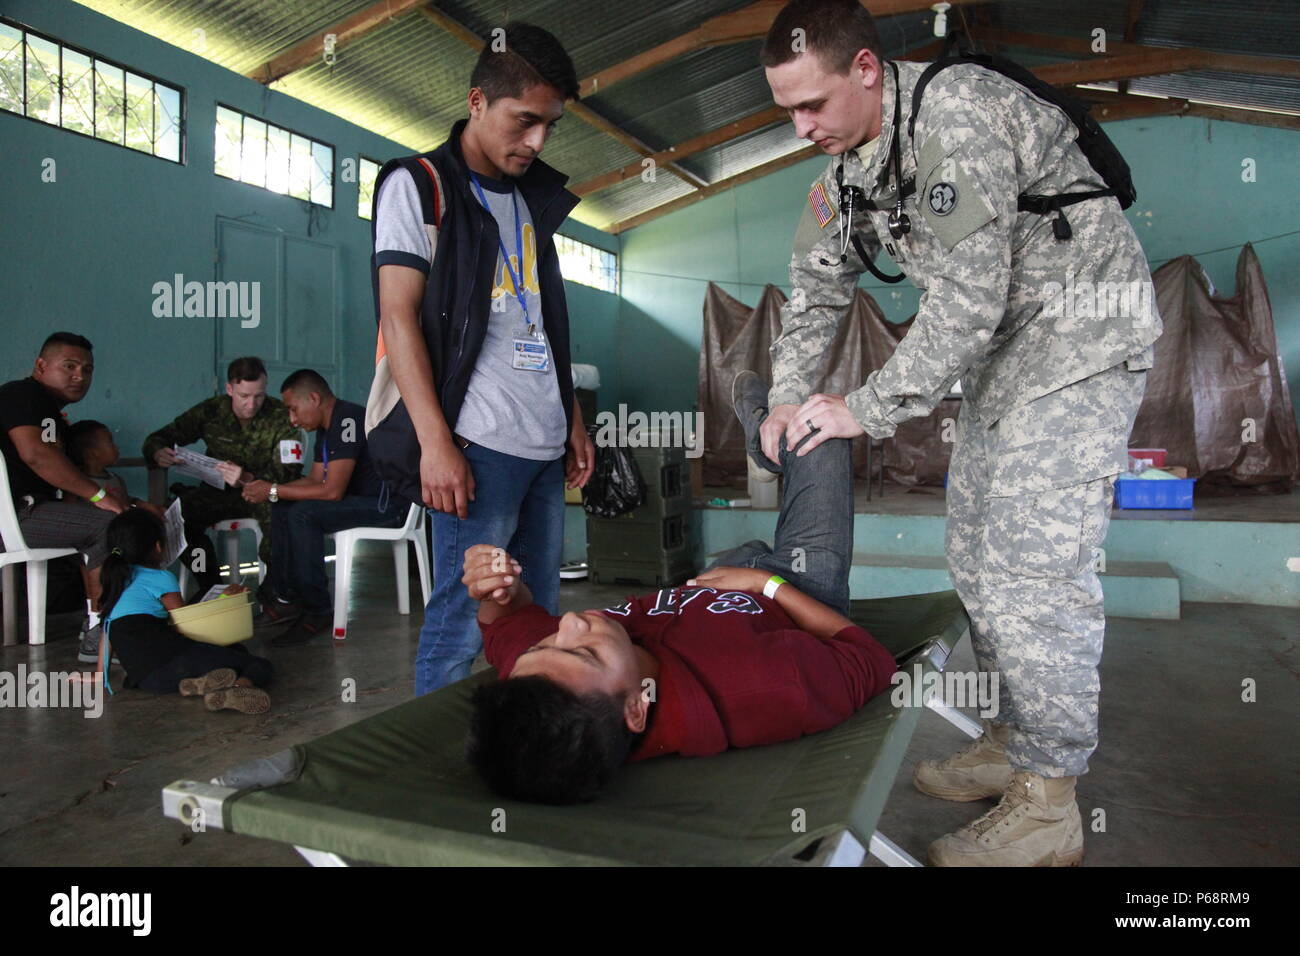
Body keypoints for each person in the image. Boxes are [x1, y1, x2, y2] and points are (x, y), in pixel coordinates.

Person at [757, 0, 1162, 866]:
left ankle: (1050, 801)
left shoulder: (956, 113)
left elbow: (971, 300)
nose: (800, 128)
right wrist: (787, 399)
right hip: (1006, 365)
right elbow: (816, 287)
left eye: (813, 105)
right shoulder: (848, 171)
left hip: (1081, 339)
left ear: (866, 68)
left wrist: (861, 407)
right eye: (786, 109)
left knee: (1032, 570)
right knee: (975, 552)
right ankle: (1013, 740)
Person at [462, 375, 895, 804]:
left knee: (775, 423)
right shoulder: (767, 686)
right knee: (818, 433)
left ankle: (765, 432)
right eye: (584, 651)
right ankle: (767, 430)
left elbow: (506, 625)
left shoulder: (538, 683)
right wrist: (768, 584)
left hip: (713, 583)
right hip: (799, 590)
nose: (572, 622)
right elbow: (869, 658)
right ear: (636, 708)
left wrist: (496, 590)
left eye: (546, 645)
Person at [366, 22, 594, 697]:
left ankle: (528, 741)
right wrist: (436, 444)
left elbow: (544, 322)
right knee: (463, 616)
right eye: (524, 121)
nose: (537, 141)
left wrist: (573, 418)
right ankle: (434, 766)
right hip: (476, 446)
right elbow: (397, 317)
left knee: (534, 615)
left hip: (543, 444)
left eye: (550, 125)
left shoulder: (531, 201)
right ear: (476, 102)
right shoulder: (419, 187)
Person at [242, 369, 409, 645]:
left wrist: (270, 489)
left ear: (314, 398)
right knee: (284, 506)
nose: (292, 419)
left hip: (388, 506)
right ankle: (286, 596)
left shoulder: (348, 419)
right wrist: (272, 491)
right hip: (357, 502)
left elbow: (331, 491)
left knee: (303, 513)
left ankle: (317, 609)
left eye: (294, 409)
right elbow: (314, 479)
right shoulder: (326, 427)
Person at [0, 332, 126, 662]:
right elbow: (36, 455)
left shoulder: (53, 414)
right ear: (41, 366)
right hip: (15, 515)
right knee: (107, 525)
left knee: (122, 519)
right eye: (69, 366)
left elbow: (63, 476)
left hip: (29, 512)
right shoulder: (23, 394)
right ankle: (99, 633)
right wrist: (98, 496)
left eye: (88, 369)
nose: (80, 376)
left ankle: (126, 619)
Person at [142, 356, 305, 594]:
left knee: (282, 518)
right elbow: (160, 437)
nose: (251, 404)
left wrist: (247, 478)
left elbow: (289, 475)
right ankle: (212, 586)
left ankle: (275, 595)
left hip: (263, 495)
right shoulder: (211, 411)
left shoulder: (282, 416)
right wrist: (157, 452)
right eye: (244, 396)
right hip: (217, 493)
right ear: (230, 389)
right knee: (177, 519)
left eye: (258, 395)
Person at [99, 508, 272, 713]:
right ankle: (237, 688)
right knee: (258, 665)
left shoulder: (113, 580)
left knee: (229, 656)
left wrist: (101, 675)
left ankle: (198, 684)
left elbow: (107, 630)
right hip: (171, 657)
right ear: (157, 546)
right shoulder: (160, 578)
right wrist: (226, 599)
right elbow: (187, 625)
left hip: (146, 679)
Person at [65, 420, 166, 520]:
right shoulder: (78, 484)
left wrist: (141, 504)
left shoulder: (116, 479)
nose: (116, 447)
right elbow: (69, 513)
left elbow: (125, 500)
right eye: (110, 442)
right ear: (93, 453)